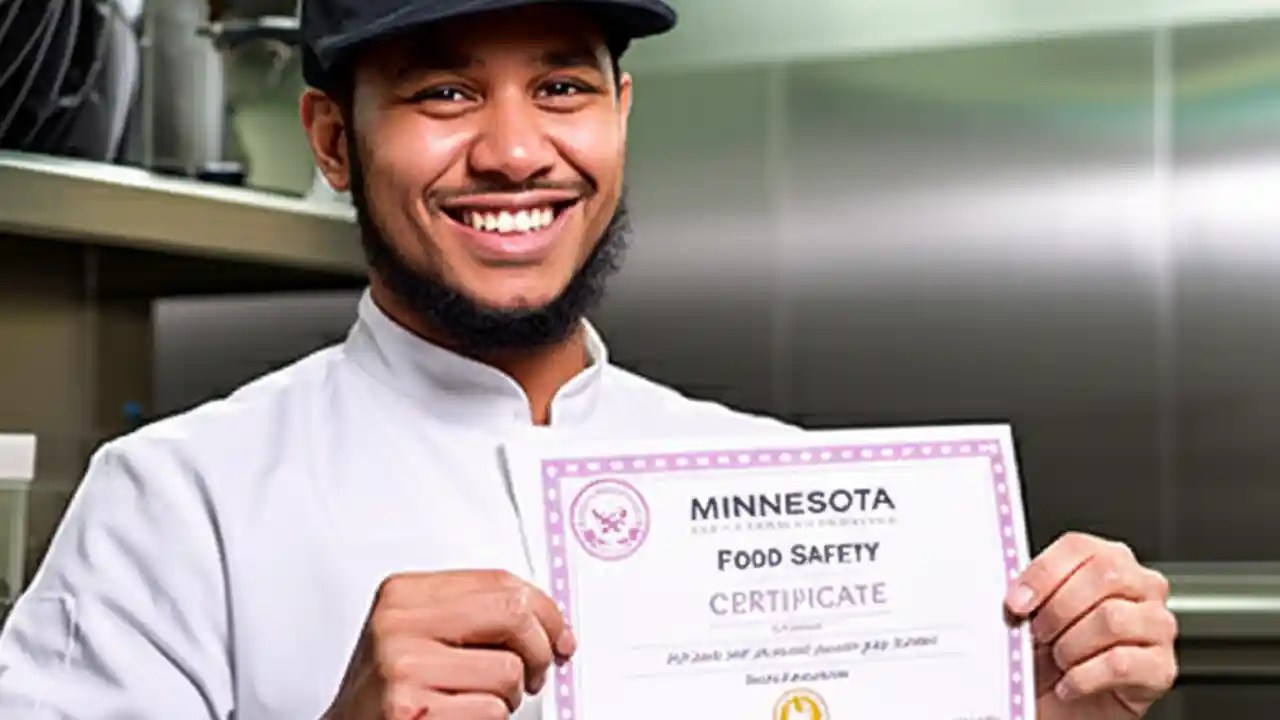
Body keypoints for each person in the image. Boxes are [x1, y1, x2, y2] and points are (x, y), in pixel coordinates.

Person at [0, 1, 1178, 718]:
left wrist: (1036, 705)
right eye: (444, 89)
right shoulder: (174, 502)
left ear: (620, 112)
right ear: (331, 141)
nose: (514, 151)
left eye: (561, 85)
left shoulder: (771, 476)